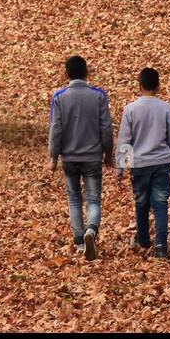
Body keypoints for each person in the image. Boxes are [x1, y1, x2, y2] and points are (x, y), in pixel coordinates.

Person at [48, 55, 113, 259]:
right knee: (93, 199)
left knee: (74, 199)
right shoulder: (99, 96)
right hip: (93, 156)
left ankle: (79, 242)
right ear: (87, 73)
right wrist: (108, 153)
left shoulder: (59, 97)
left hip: (69, 157)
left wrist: (53, 157)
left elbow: (55, 129)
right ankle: (91, 231)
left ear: (65, 74)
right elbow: (106, 128)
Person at [116, 67, 170, 259]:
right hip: (161, 161)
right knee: (160, 203)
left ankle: (143, 238)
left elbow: (124, 139)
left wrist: (121, 165)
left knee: (141, 201)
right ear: (158, 86)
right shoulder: (166, 109)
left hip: (139, 164)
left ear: (139, 86)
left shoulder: (130, 109)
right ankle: (161, 245)